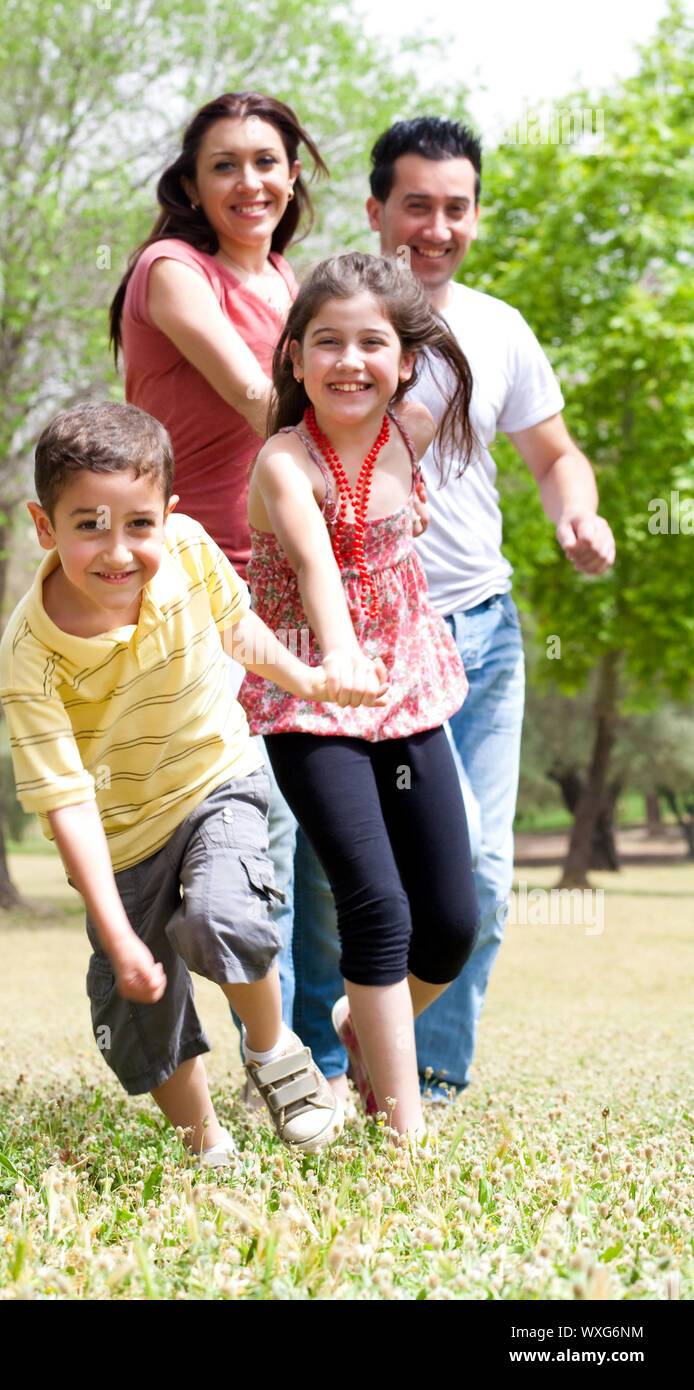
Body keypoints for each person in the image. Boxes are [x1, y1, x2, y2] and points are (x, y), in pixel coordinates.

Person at [293, 117, 616, 1101]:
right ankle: (317, 1072)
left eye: (455, 207)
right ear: (375, 211)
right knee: (325, 875)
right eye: (415, 206)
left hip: (473, 628)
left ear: (473, 213)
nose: (436, 227)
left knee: (475, 867)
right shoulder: (325, 322)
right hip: (352, 640)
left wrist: (578, 514)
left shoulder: (497, 328)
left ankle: (425, 1073)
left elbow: (553, 455)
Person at [0, 401, 360, 1162]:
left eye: (138, 525)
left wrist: (309, 679)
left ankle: (272, 1053)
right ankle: (207, 1148)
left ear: (168, 515)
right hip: (119, 834)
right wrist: (119, 930)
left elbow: (239, 628)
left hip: (213, 779)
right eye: (88, 524)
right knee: (140, 1007)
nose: (118, 551)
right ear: (44, 525)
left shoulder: (191, 550)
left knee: (225, 915)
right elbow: (64, 799)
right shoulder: (31, 653)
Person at [237, 252, 481, 1138]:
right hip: (311, 693)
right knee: (375, 906)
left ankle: (358, 1020)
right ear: (295, 358)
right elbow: (313, 568)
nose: (350, 361)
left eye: (372, 342)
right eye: (327, 342)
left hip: (408, 688)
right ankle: (403, 1134)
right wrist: (337, 656)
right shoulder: (282, 460)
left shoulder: (410, 432)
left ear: (406, 359)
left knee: (451, 924)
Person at [109, 92, 328, 1026]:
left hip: (283, 578)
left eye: (267, 162)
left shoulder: (289, 279)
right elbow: (254, 391)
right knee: (244, 822)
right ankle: (253, 1058)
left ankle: (312, 1048)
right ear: (193, 184)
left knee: (314, 830)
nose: (251, 182)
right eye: (225, 165)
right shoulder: (170, 269)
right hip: (190, 586)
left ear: (293, 174)